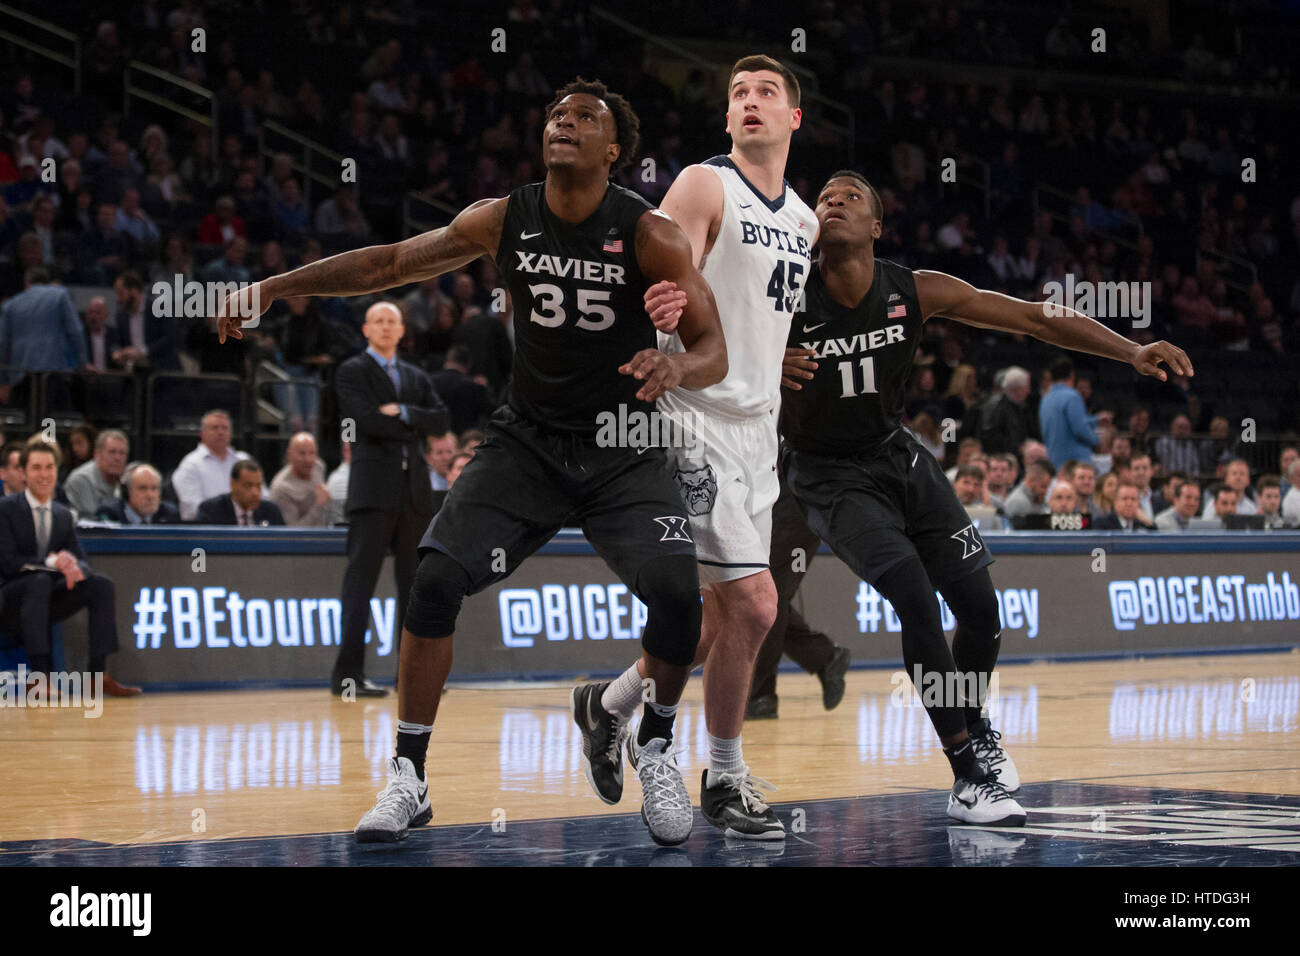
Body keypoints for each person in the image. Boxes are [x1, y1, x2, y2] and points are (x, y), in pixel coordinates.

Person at [218, 78, 726, 847]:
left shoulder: (650, 234)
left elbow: (714, 350)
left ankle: (652, 743)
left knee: (679, 600)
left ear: (614, 149)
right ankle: (409, 777)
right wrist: (275, 289)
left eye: (584, 118)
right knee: (433, 584)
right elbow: (387, 262)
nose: (564, 123)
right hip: (526, 442)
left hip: (625, 449)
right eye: (556, 114)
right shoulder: (503, 218)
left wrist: (678, 369)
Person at [769, 170, 1190, 824]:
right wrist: (764, 365)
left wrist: (1130, 350)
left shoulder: (914, 288)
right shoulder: (781, 295)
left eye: (852, 197)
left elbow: (1033, 319)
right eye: (824, 197)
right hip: (826, 472)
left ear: (877, 227)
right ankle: (967, 774)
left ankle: (975, 722)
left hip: (897, 455)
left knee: (981, 611)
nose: (835, 203)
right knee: (913, 597)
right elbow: (708, 337)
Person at [577, 56, 815, 842]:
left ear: (794, 118)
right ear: (726, 119)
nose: (750, 103)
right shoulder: (703, 185)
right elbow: (661, 277)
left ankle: (607, 705)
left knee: (714, 625)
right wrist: (665, 309)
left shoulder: (808, 221)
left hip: (759, 430)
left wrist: (771, 356)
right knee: (757, 603)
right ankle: (724, 776)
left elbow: (751, 314)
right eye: (738, 95)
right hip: (690, 417)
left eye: (766, 94)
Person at [325, 302, 448, 697]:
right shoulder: (351, 371)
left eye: (391, 321)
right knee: (359, 586)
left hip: (413, 494)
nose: (384, 327)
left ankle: (408, 677)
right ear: (365, 330)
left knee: (414, 589)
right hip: (371, 493)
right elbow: (365, 420)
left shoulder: (414, 375)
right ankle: (348, 677)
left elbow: (442, 420)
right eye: (377, 321)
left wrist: (404, 412)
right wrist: (413, 423)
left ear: (401, 330)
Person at [0, 441, 140, 695]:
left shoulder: (62, 514)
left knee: (100, 584)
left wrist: (75, 567)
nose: (44, 474)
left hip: (45, 600)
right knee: (40, 580)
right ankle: (39, 676)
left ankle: (97, 676)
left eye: (50, 467)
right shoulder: (6, 509)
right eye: (36, 468)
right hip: (10, 600)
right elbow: (8, 562)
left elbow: (82, 560)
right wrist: (52, 563)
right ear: (23, 473)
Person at [746, 476, 850, 720]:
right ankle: (824, 658)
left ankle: (761, 696)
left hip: (796, 499)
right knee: (762, 597)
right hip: (773, 499)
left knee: (766, 596)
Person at [171, 410, 256, 520]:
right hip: (209, 530)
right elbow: (192, 510)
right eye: (215, 428)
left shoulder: (244, 460)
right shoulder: (191, 465)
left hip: (247, 525)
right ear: (202, 433)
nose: (220, 432)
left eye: (225, 428)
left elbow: (263, 497)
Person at [1038, 357, 1100, 468]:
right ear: (1072, 375)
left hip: (1054, 460)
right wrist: (1096, 439)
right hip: (1074, 463)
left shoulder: (1046, 398)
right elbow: (1080, 430)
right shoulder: (1072, 396)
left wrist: (1096, 420)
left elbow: (1060, 425)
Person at [195, 460, 285, 526]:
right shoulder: (211, 510)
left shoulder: (271, 511)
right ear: (233, 484)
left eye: (258, 486)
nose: (255, 493)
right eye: (248, 486)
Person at [62, 429, 129, 517]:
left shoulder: (129, 480)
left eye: (122, 453)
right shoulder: (80, 481)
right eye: (112, 452)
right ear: (97, 454)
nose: (117, 458)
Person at [269, 431, 330, 527]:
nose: (308, 459)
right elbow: (294, 533)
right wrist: (319, 505)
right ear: (289, 455)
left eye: (312, 453)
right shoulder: (281, 489)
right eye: (302, 453)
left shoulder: (318, 466)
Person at [96, 463, 180, 524]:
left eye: (154, 488)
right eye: (142, 488)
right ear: (127, 492)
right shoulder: (110, 513)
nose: (150, 496)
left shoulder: (170, 514)